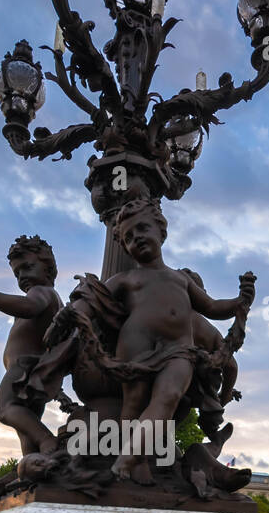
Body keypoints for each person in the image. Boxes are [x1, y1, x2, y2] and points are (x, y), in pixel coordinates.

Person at [105, 196, 255, 480]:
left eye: (142, 229)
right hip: (135, 346)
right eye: (128, 237)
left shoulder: (180, 279)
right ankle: (134, 460)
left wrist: (239, 300)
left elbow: (211, 307)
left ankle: (126, 459)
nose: (136, 238)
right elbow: (94, 302)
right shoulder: (125, 280)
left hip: (179, 351)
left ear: (161, 231)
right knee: (133, 404)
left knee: (169, 395)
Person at [0, 235, 63, 456]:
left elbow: (28, 307)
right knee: (26, 426)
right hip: (32, 371)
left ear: (48, 268)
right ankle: (33, 462)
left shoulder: (42, 293)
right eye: (17, 273)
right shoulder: (46, 296)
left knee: (5, 410)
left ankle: (48, 441)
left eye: (27, 267)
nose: (22, 276)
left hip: (25, 368)